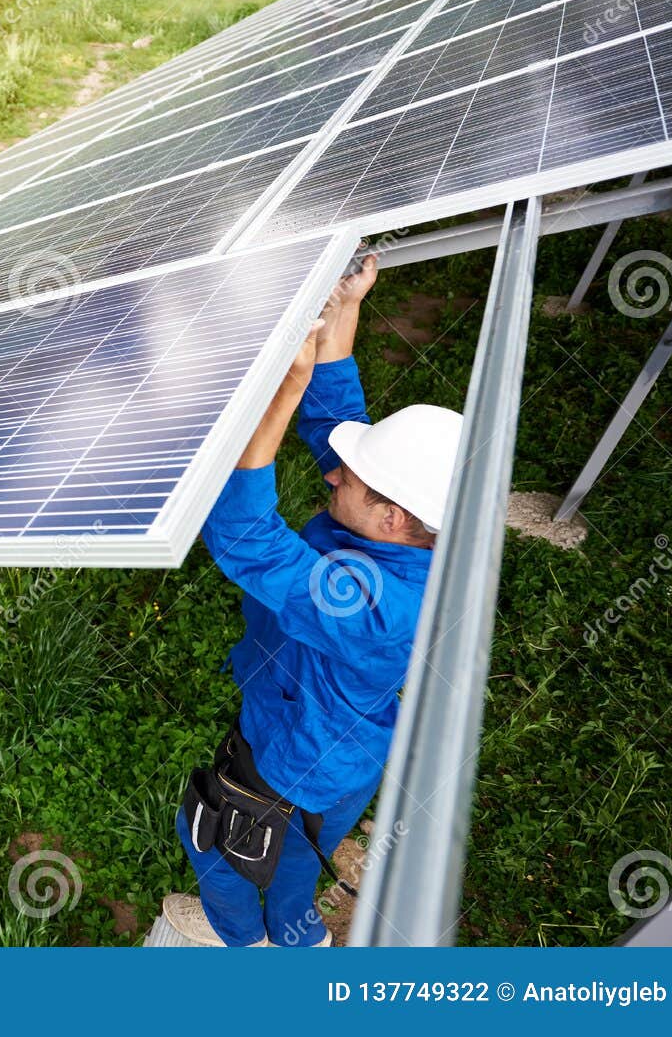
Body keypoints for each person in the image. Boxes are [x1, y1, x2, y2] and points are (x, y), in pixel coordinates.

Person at [157, 254, 464, 947]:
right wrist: (347, 306)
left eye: (347, 480)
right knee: (296, 862)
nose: (333, 476)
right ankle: (300, 939)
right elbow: (338, 425)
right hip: (336, 746)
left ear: (392, 518)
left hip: (299, 754)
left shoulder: (375, 605)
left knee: (215, 844)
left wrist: (284, 387)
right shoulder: (410, 530)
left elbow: (247, 538)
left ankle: (240, 939)